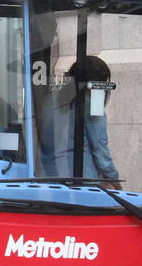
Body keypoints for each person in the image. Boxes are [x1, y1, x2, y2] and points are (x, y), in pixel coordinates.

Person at [46, 56, 120, 188]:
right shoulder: (93, 101)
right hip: (82, 181)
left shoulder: (51, 99)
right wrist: (114, 179)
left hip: (51, 178)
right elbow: (100, 149)